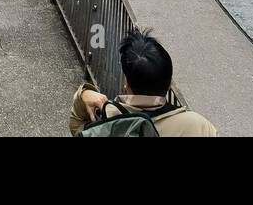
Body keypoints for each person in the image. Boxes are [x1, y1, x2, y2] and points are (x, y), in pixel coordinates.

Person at [69, 29, 217, 137]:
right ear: (169, 81)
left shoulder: (106, 122)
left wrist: (83, 94)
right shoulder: (200, 127)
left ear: (126, 81)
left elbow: (76, 127)